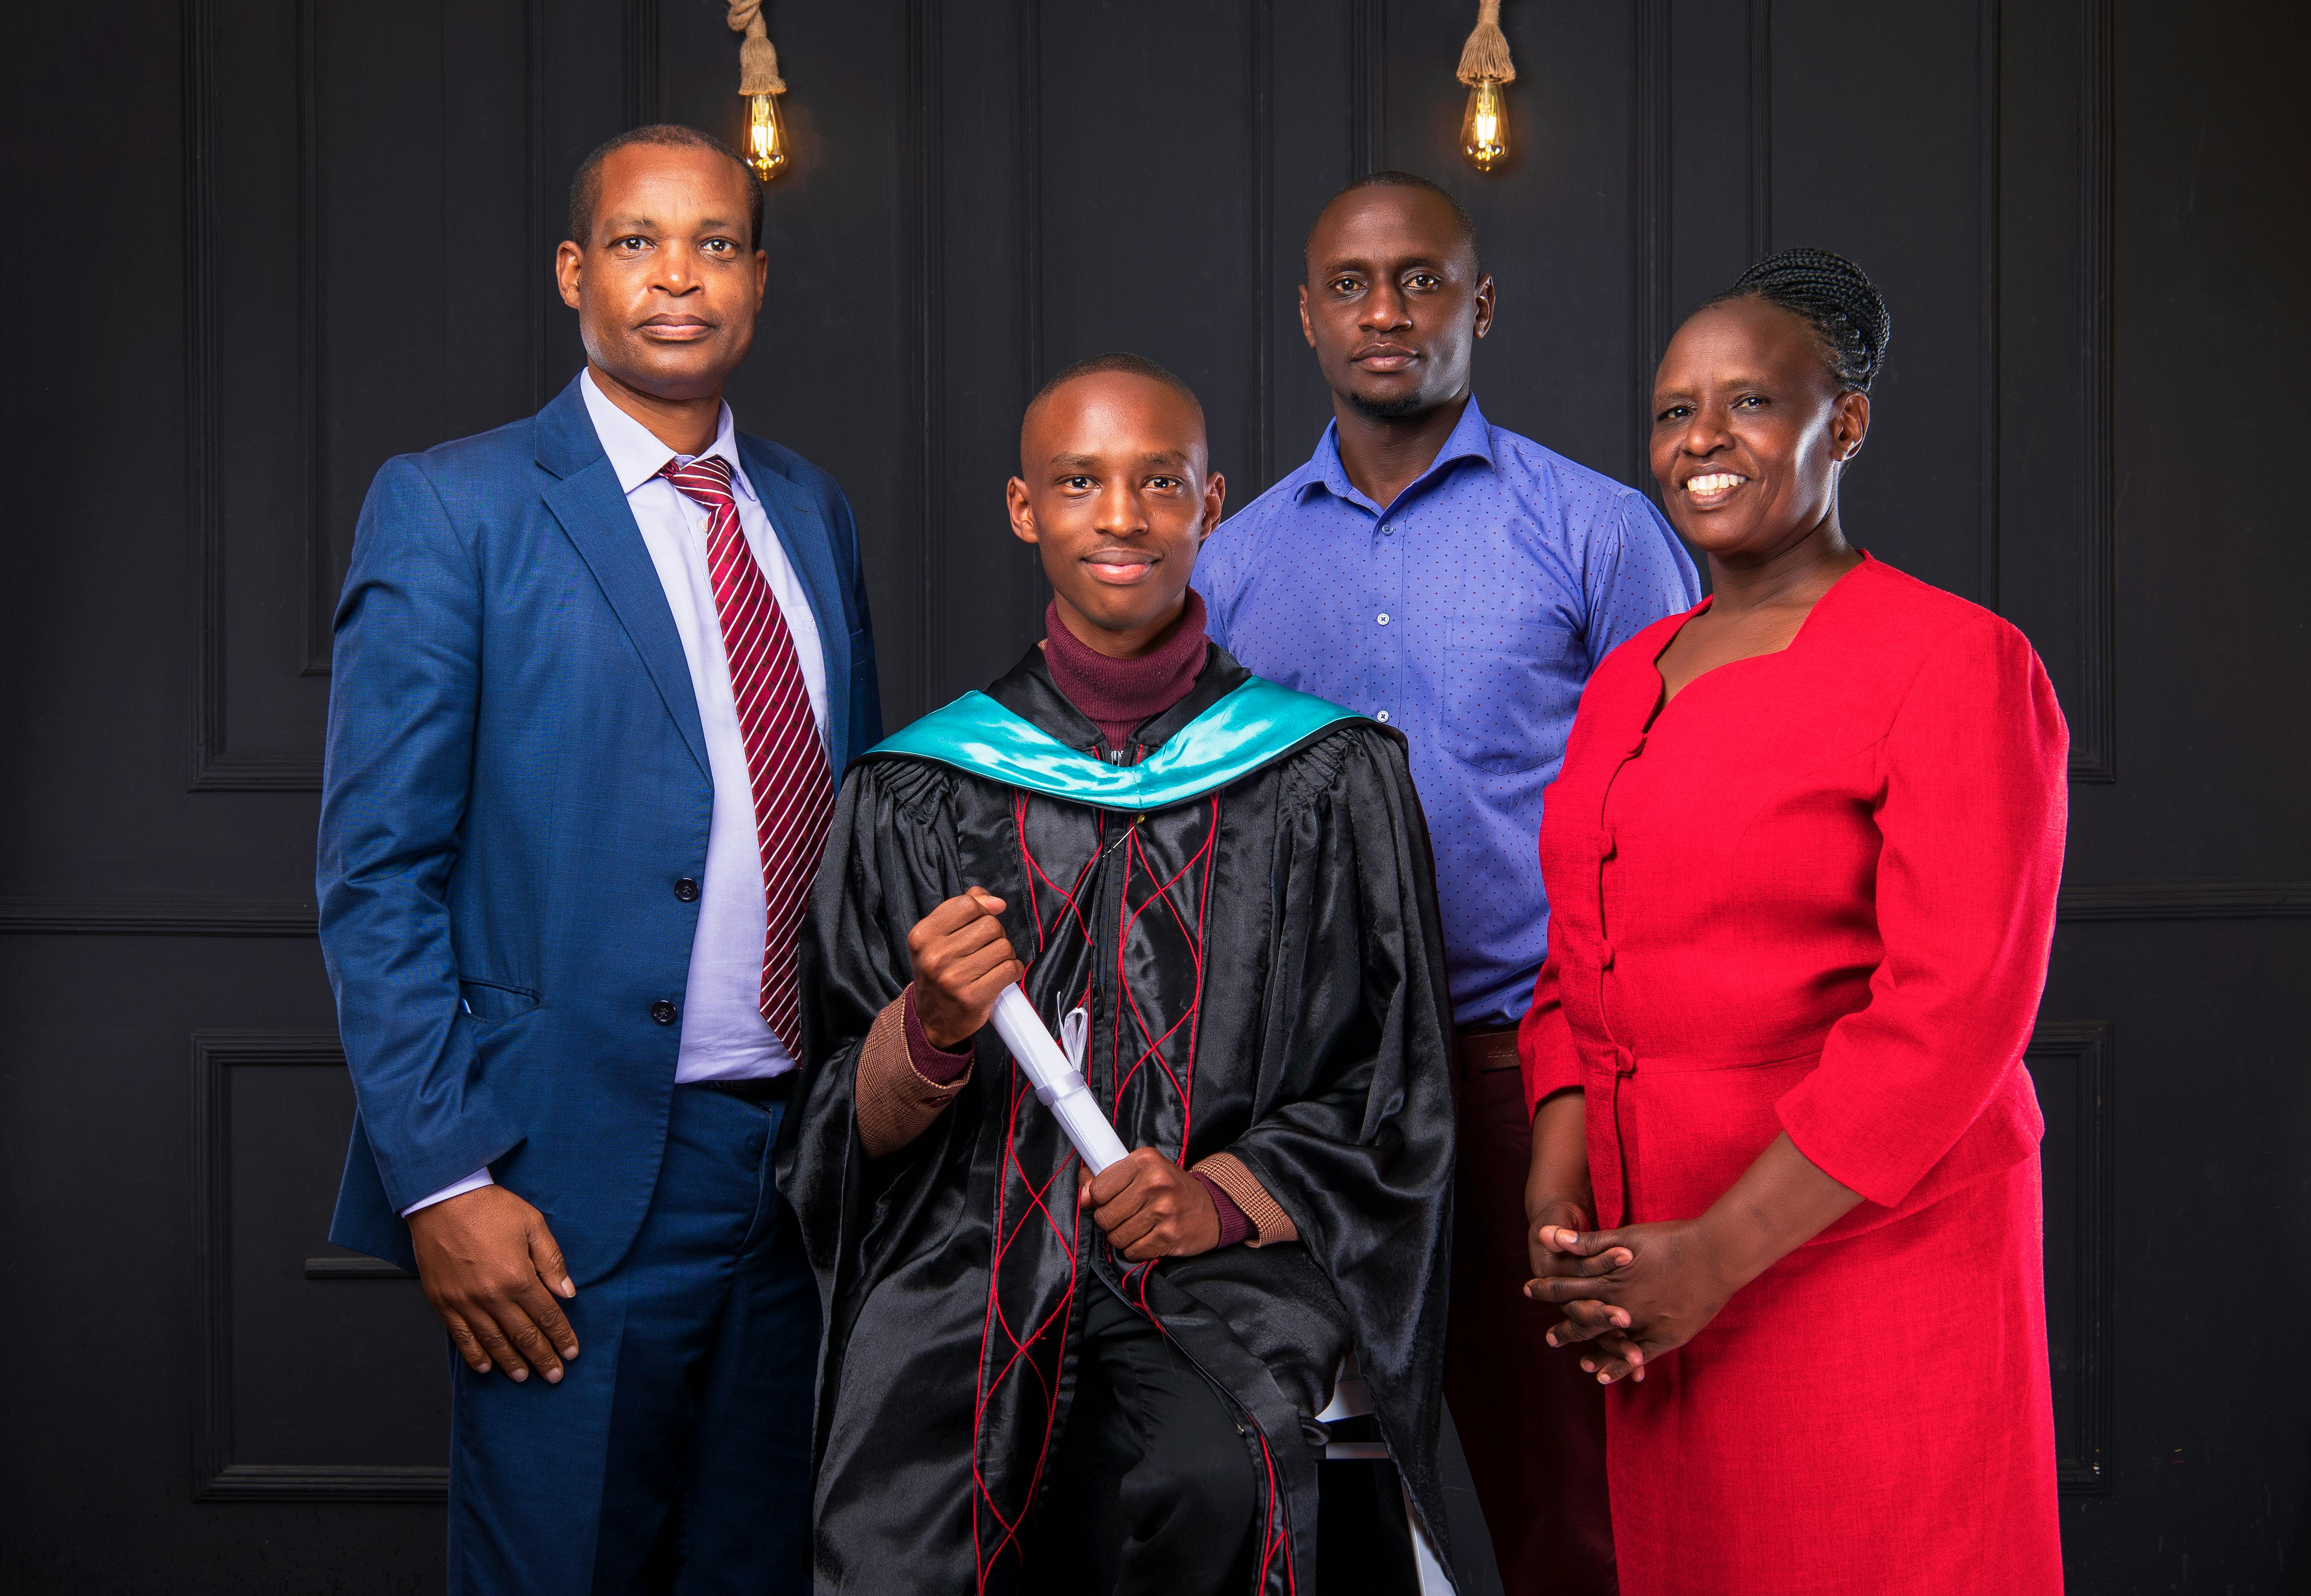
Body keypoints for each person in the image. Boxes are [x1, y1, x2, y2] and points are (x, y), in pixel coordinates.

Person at [783, 355, 1472, 1595]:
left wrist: (1222, 1196)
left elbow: (1400, 1086)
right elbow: (831, 1126)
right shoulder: (916, 792)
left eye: (1160, 482)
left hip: (1221, 1277)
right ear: (1022, 506)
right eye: (1080, 482)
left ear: (1212, 504)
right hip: (965, 1261)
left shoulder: (1328, 779)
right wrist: (929, 1028)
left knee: (1207, 1479)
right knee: (907, 1497)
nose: (1121, 517)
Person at [318, 124, 880, 1592]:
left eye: (713, 244)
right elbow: (376, 873)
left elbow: (847, 836)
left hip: (794, 1176)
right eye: (638, 242)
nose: (677, 278)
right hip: (564, 1178)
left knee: (754, 1568)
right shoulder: (458, 508)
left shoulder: (808, 514)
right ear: (577, 273)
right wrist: (442, 1180)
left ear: (756, 280)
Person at [1520, 248, 2068, 1592]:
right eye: (1672, 410)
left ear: (1847, 423)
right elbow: (1573, 972)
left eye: (1749, 403)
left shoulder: (1953, 662)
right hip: (1657, 1288)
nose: (1700, 439)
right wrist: (1558, 1188)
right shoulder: (1626, 676)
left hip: (1867, 1277)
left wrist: (1715, 1254)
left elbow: (1953, 1019)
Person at [1193, 170, 1699, 1593]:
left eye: (1422, 280)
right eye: (1352, 284)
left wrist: (1602, 1090)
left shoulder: (1596, 533)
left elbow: (1678, 810)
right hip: (1309, 1103)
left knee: (1569, 1500)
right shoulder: (1231, 566)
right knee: (1299, 1487)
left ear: (1478, 306)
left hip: (1525, 1074)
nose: (1387, 311)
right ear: (1307, 315)